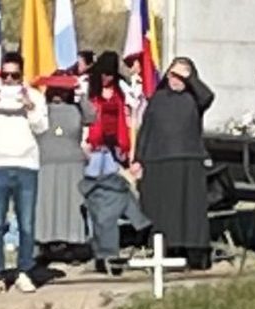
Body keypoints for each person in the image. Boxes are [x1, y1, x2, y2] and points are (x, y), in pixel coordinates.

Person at [0, 52, 49, 296]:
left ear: (22, 75)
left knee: (26, 224)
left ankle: (24, 271)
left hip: (26, 165)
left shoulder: (34, 96)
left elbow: (42, 128)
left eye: (15, 76)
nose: (9, 80)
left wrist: (30, 108)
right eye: (5, 75)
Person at [136, 57, 214, 269]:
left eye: (181, 77)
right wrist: (138, 159)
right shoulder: (157, 99)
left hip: (189, 160)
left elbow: (208, 96)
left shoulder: (195, 98)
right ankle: (164, 252)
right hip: (159, 161)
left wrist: (189, 78)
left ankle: (194, 254)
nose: (176, 80)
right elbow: (146, 130)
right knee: (163, 212)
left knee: (190, 211)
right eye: (173, 75)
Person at [81, 52, 149, 275]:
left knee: (116, 194)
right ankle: (98, 244)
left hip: (113, 151)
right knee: (94, 199)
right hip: (92, 149)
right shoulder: (87, 88)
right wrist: (83, 144)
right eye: (103, 74)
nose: (106, 79)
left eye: (110, 75)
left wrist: (129, 149)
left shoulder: (121, 89)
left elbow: (130, 117)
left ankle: (125, 233)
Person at [33, 72, 95, 254]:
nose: (58, 94)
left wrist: (82, 96)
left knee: (72, 204)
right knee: (46, 203)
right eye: (54, 90)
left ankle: (73, 242)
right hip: (46, 161)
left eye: (62, 90)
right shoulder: (42, 109)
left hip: (73, 163)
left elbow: (92, 117)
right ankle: (44, 242)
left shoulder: (76, 109)